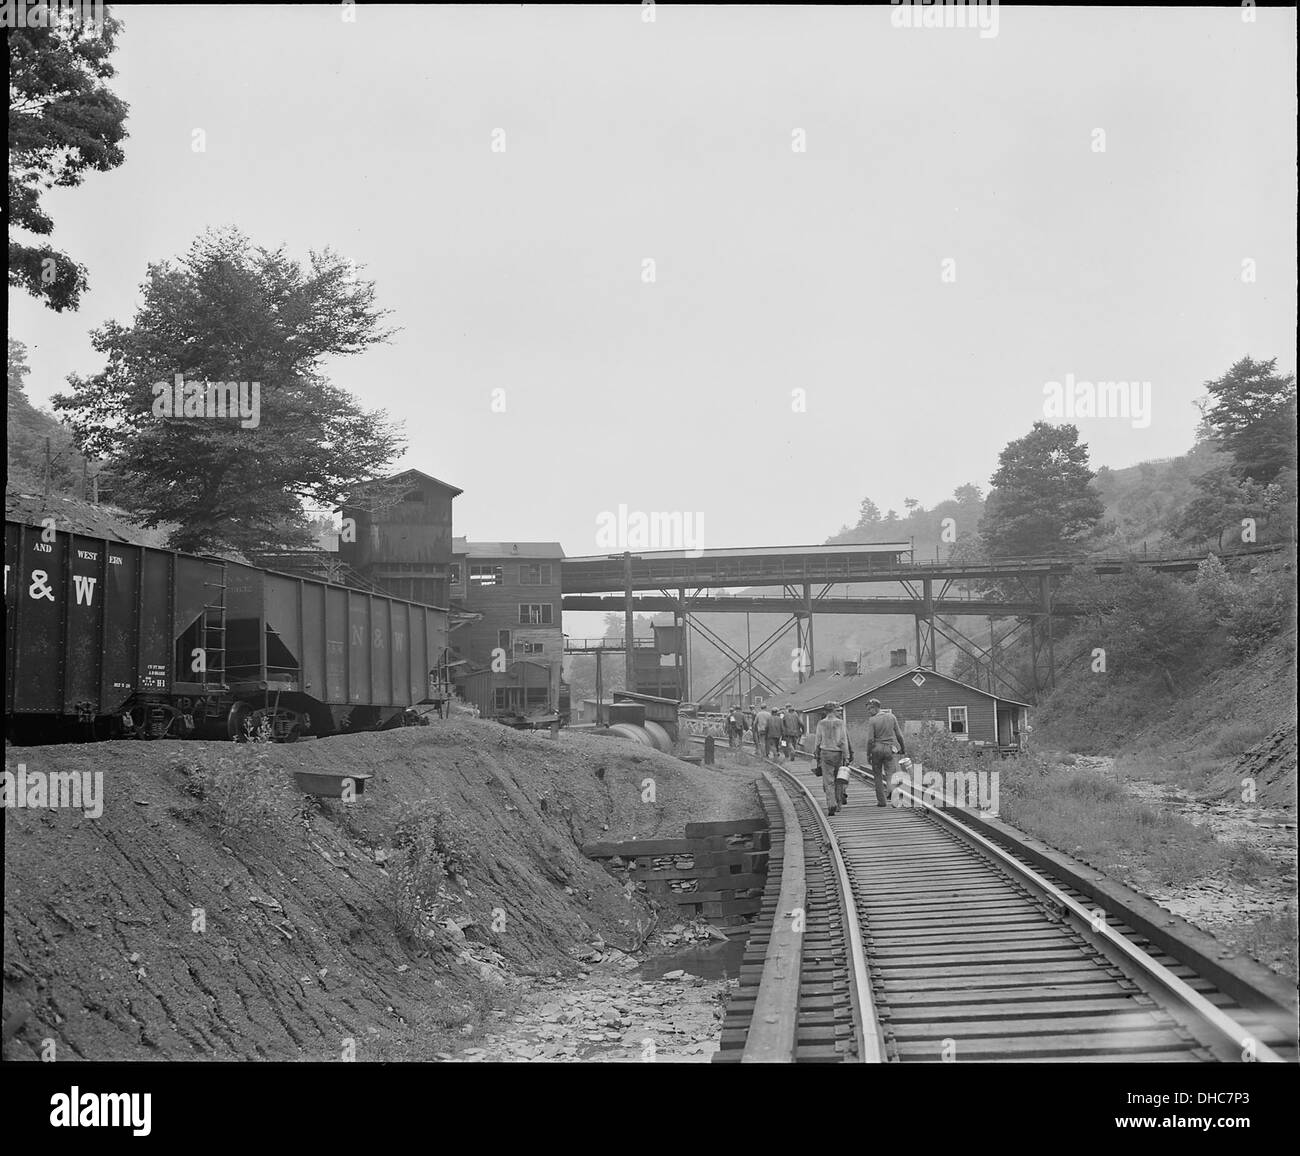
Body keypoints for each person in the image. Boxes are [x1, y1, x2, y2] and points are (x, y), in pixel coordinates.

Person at [864, 698, 907, 807]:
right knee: (890, 774)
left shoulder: (872, 720)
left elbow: (870, 740)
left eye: (869, 709)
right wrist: (903, 748)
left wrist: (868, 753)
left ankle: (881, 802)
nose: (868, 712)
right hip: (889, 749)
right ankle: (892, 792)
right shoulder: (891, 717)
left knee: (877, 775)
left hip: (876, 749)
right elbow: (899, 735)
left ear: (875, 708)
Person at [813, 701, 851, 816]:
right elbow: (843, 740)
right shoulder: (840, 723)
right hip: (838, 753)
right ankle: (839, 805)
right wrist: (847, 755)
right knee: (839, 779)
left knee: (828, 780)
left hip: (825, 753)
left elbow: (818, 740)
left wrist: (816, 753)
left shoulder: (821, 723)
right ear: (834, 710)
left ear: (825, 711)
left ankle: (831, 804)